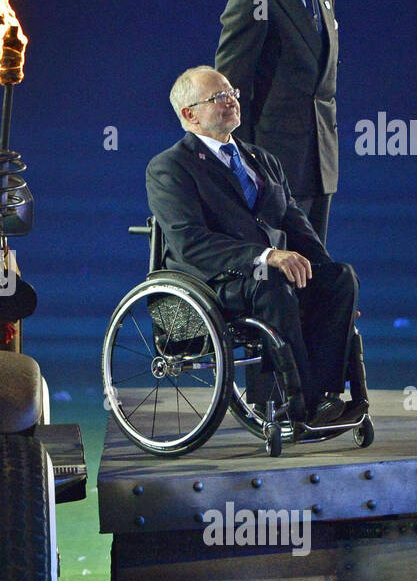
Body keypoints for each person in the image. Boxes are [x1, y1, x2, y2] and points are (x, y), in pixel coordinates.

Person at [145, 66, 357, 427]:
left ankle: (328, 396)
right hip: (212, 282)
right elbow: (189, 242)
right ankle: (301, 403)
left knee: (339, 279)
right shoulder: (170, 167)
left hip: (264, 276)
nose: (231, 102)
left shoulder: (262, 160)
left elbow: (296, 225)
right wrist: (266, 255)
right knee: (272, 283)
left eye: (232, 94)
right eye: (217, 98)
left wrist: (325, 278)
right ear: (189, 114)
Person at [215, 0, 338, 244]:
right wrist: (246, 163)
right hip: (275, 165)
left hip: (320, 160)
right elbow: (231, 87)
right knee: (283, 271)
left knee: (317, 271)